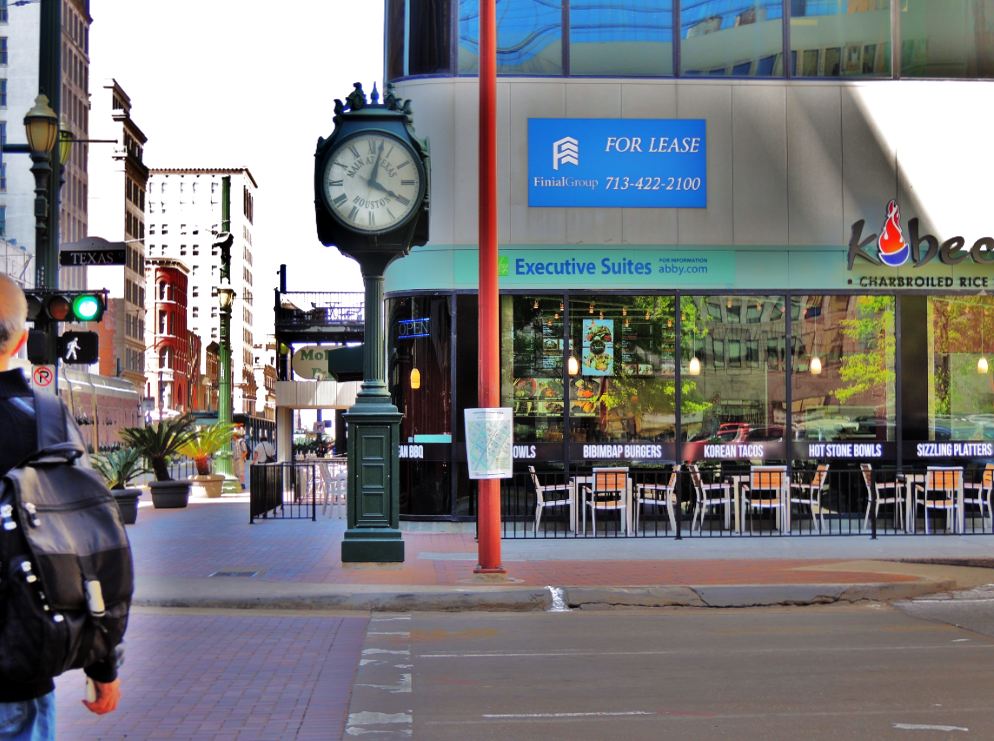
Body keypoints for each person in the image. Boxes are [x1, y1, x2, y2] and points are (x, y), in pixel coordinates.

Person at [0, 274, 122, 739]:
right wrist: (101, 661)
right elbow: (83, 546)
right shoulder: (47, 422)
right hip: (16, 671)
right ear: (22, 341)